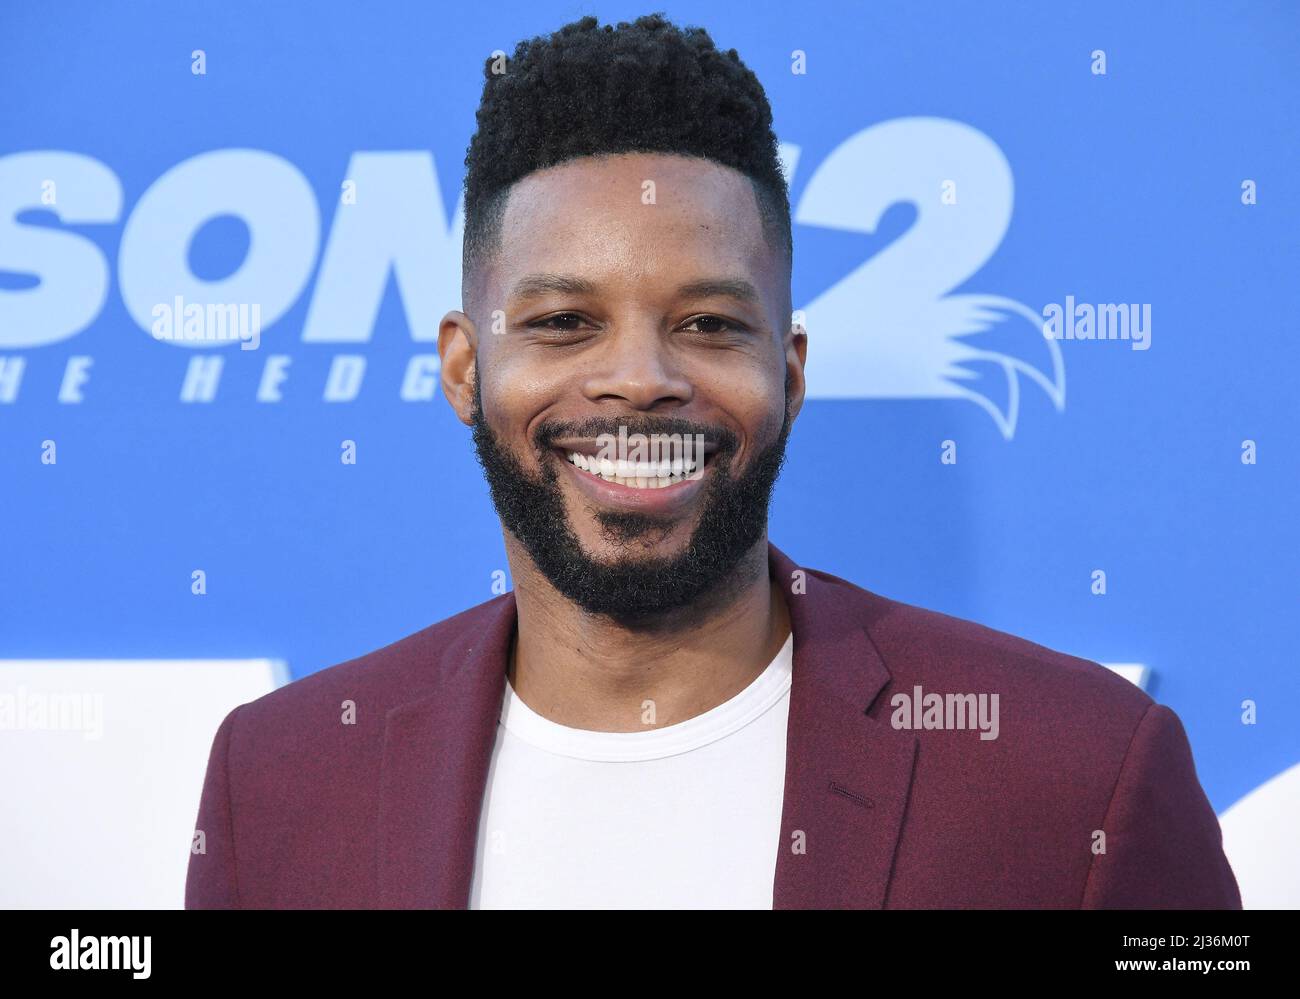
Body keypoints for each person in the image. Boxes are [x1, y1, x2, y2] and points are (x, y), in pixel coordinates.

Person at [185, 12, 1240, 909]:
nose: (638, 378)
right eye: (562, 322)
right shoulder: (280, 780)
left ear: (787, 371)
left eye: (706, 325)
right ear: (464, 367)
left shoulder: (1075, 768)